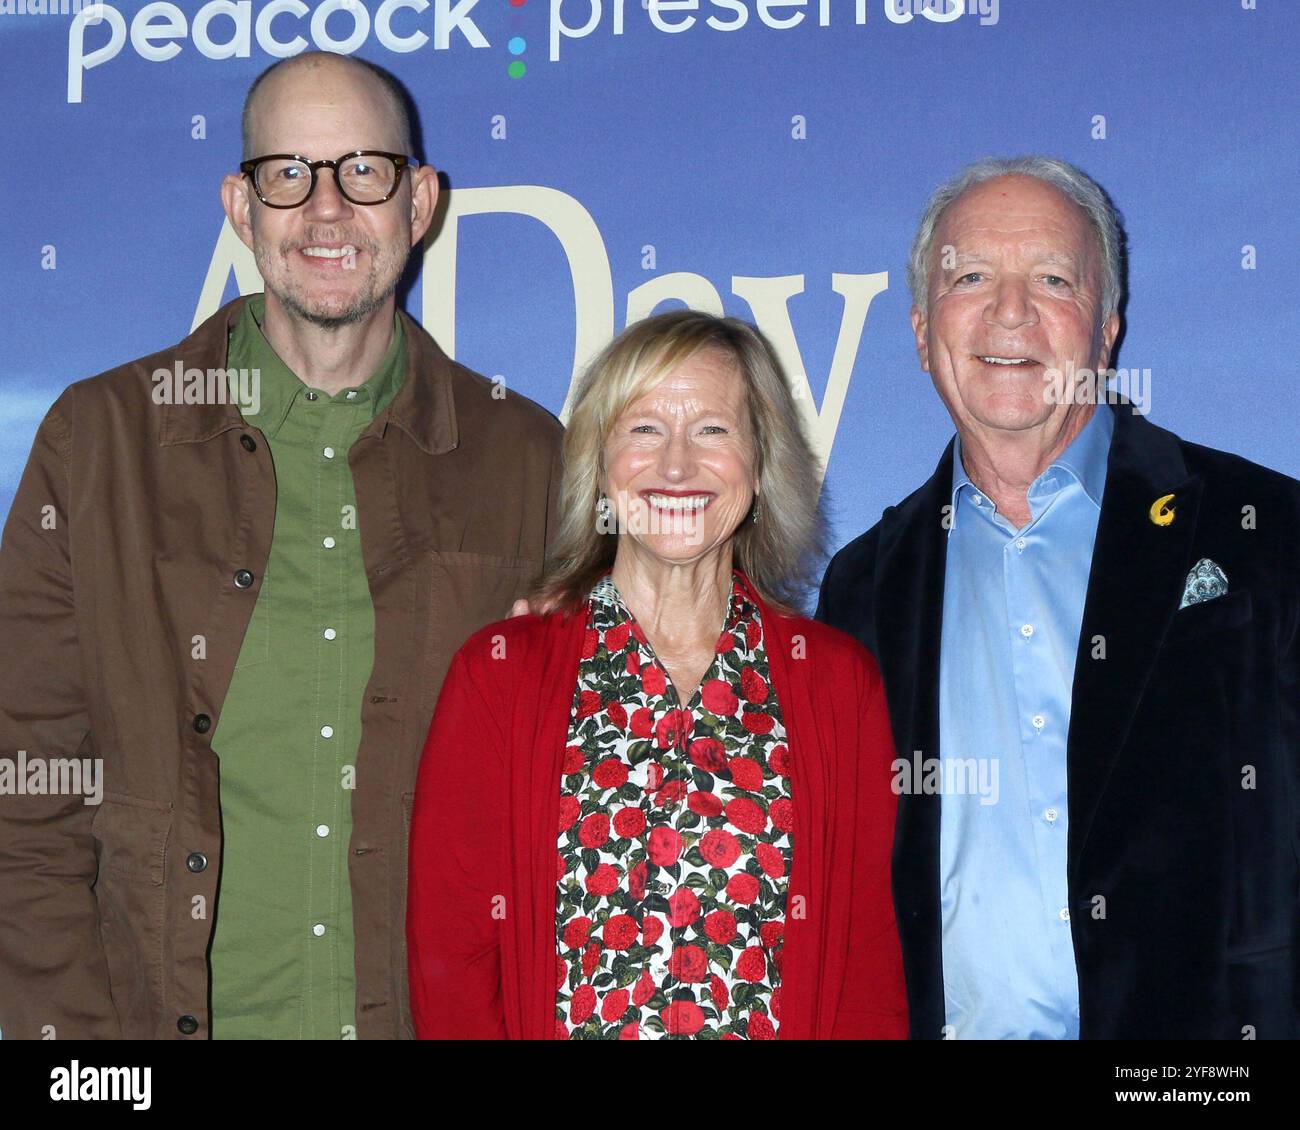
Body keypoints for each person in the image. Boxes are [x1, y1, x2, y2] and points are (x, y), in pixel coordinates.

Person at [0, 52, 562, 1040]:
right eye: (289, 174)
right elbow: (24, 806)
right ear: (240, 205)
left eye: (364, 171)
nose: (327, 209)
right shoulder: (101, 442)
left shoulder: (531, 457)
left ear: (420, 201)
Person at [817, 155, 1300, 1040]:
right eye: (970, 278)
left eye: (1051, 278)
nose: (1010, 311)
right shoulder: (863, 586)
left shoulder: (1263, 529)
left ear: (1106, 327)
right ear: (922, 331)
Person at [407, 310, 907, 1039]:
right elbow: (451, 963)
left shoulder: (837, 686)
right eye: (644, 429)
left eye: (713, 429)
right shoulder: (500, 677)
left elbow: (868, 972)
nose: (677, 466)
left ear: (762, 462)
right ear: (599, 466)